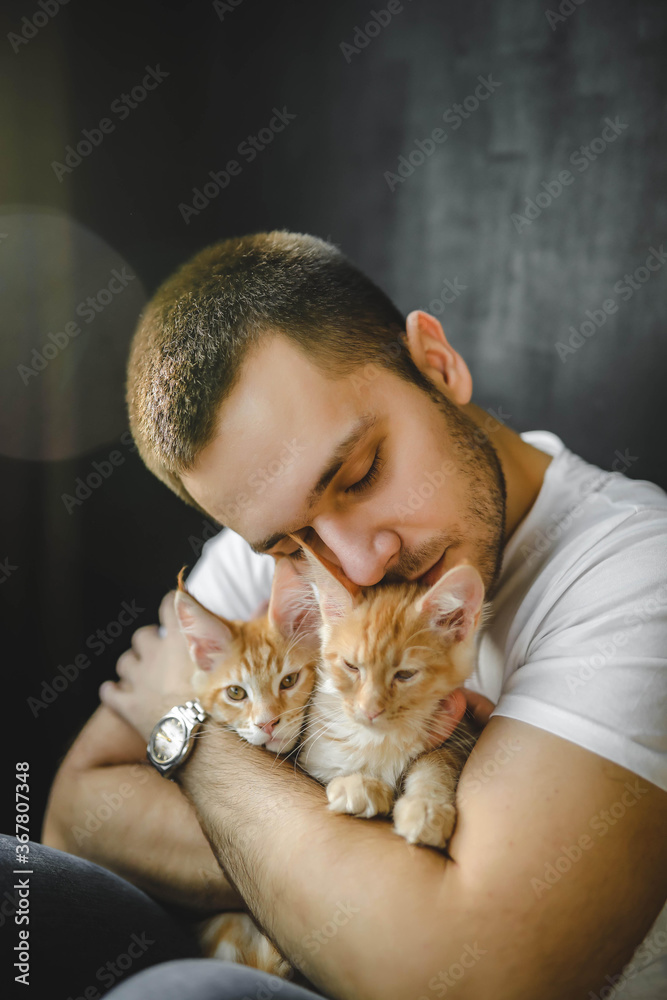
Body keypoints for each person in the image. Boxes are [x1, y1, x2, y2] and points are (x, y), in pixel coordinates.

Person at [41, 231, 667, 1000]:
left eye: (362, 473)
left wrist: (185, 731)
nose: (358, 566)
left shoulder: (635, 572)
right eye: (288, 543)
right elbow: (74, 815)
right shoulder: (278, 552)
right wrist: (381, 878)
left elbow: (475, 974)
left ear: (436, 363)